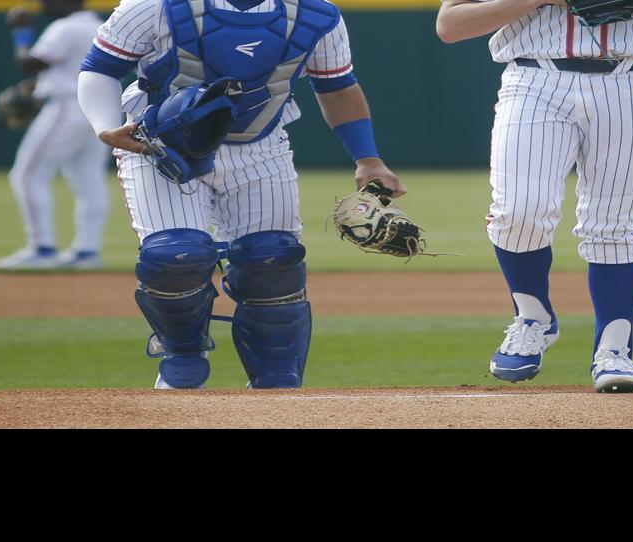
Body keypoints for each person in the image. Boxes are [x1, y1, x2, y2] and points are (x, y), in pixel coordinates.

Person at [76, 0, 407, 390]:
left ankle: (274, 378)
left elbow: (336, 87)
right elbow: (100, 67)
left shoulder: (318, 15)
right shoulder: (156, 6)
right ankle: (182, 352)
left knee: (273, 260)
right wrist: (104, 126)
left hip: (260, 147)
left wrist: (368, 159)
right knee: (175, 254)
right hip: (160, 146)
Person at [435, 0, 633, 393]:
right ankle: (533, 318)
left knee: (614, 223)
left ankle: (615, 351)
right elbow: (450, 24)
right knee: (519, 211)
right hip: (535, 78)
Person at [0, 0, 108, 271]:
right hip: (97, 107)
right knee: (88, 179)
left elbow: (27, 63)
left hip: (65, 107)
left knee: (28, 174)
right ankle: (87, 252)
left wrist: (20, 31)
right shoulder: (99, 25)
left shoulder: (65, 27)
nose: (44, 4)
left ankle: (42, 249)